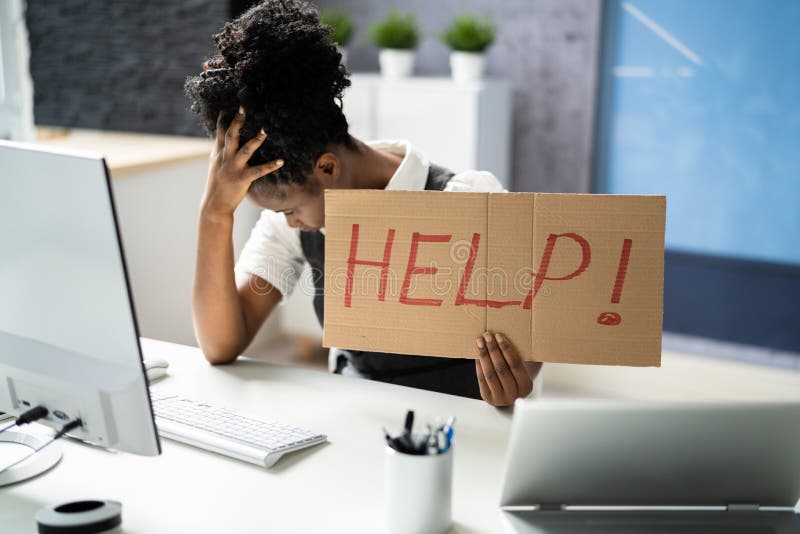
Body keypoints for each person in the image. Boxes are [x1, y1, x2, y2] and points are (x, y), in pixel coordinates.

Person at [185, 0, 542, 407]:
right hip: (355, 425)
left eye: (290, 210)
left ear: (327, 168)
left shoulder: (470, 200)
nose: (293, 224)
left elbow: (531, 350)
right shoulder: (295, 224)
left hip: (457, 431)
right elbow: (220, 344)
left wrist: (517, 378)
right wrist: (214, 214)